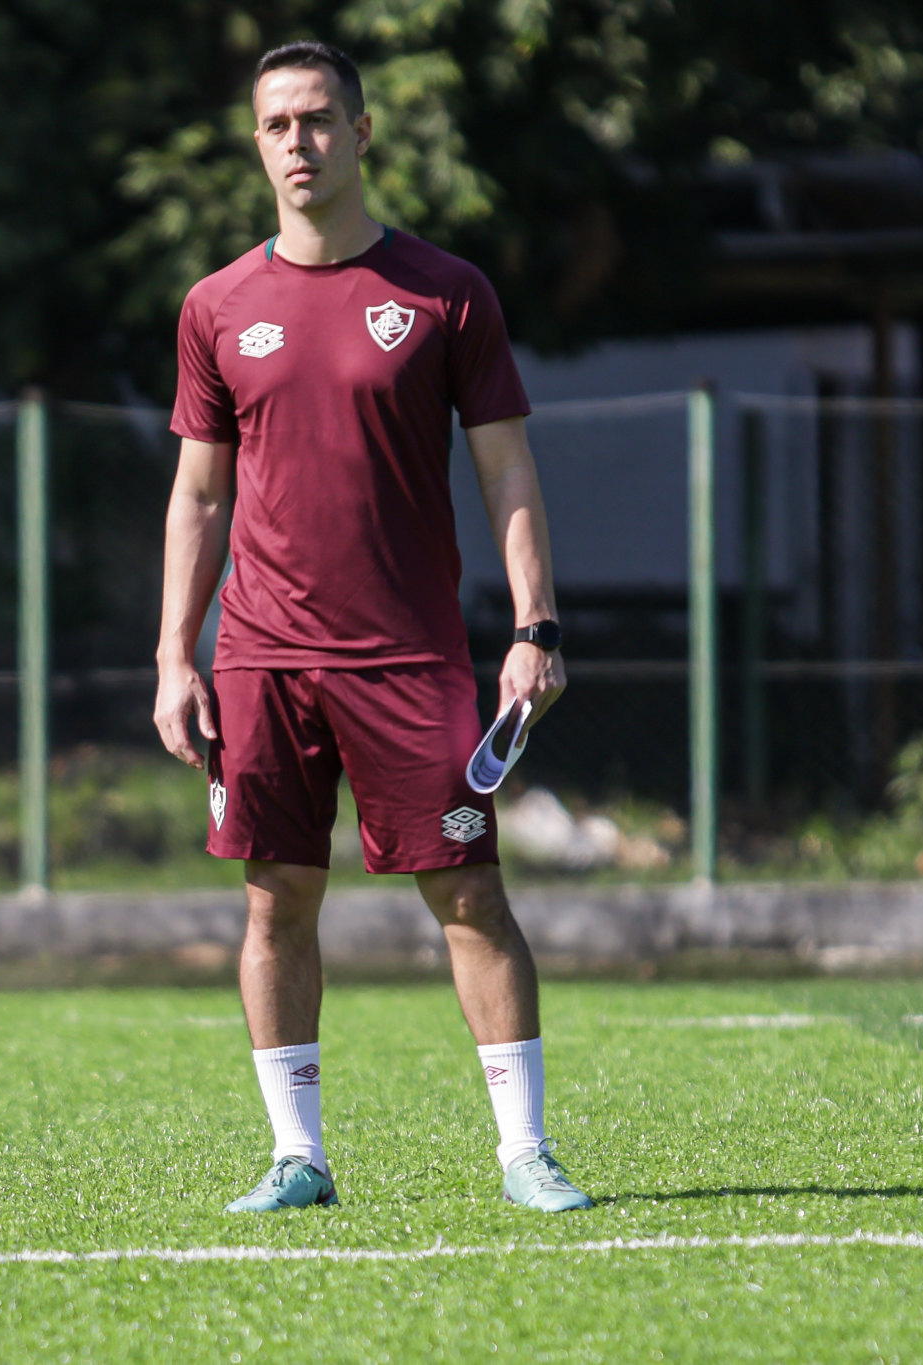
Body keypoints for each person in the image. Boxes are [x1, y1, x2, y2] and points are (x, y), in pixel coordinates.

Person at [153, 40, 589, 1214]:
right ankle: (297, 1158)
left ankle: (523, 1154)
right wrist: (171, 659)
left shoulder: (446, 292)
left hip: (410, 655)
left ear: (359, 134)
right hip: (258, 657)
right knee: (272, 902)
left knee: (469, 897)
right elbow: (197, 496)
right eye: (274, 126)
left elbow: (506, 473)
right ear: (258, 147)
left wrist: (532, 626)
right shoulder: (215, 308)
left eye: (315, 120)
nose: (296, 143)